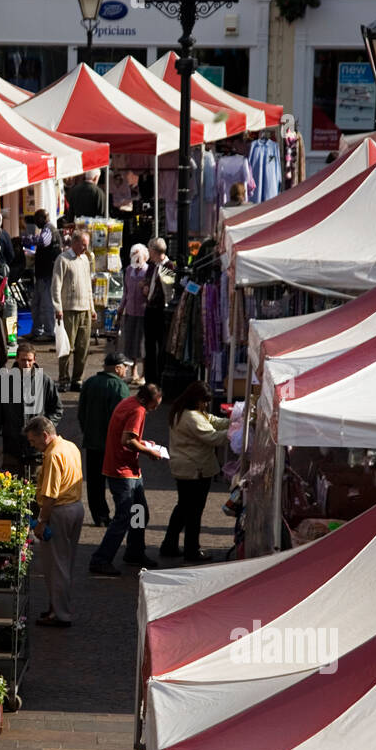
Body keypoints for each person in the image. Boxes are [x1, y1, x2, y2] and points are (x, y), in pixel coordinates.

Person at [89, 384, 165, 575]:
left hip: (130, 470)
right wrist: (149, 451)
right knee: (124, 515)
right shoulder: (138, 411)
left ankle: (135, 551)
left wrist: (145, 443)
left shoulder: (129, 402)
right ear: (148, 400)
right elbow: (127, 440)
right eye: (155, 404)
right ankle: (101, 559)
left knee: (140, 511)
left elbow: (128, 436)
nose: (155, 408)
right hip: (122, 471)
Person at [24, 416, 84, 628]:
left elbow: (50, 495)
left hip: (59, 512)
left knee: (55, 566)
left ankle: (60, 614)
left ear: (45, 435)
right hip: (75, 507)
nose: (33, 446)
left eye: (33, 441)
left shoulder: (52, 455)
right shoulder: (70, 447)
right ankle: (57, 608)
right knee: (65, 563)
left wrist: (41, 521)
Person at [160, 381, 230, 562]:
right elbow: (212, 437)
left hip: (186, 468)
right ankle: (192, 549)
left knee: (182, 509)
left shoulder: (183, 411)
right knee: (194, 512)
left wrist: (233, 422)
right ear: (196, 399)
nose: (206, 405)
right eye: (204, 401)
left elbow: (212, 421)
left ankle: (169, 544)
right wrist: (235, 431)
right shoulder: (191, 416)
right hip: (194, 470)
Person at [0, 342, 61, 475]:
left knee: (37, 489)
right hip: (12, 446)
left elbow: (57, 409)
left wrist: (45, 428)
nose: (26, 364)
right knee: (11, 488)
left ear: (35, 360)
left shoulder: (44, 381)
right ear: (16, 359)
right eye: (23, 360)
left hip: (37, 449)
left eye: (29, 360)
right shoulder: (5, 382)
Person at [77, 350, 132, 526]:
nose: (126, 371)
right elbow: (122, 418)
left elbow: (81, 413)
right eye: (125, 367)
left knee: (94, 483)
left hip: (92, 442)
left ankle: (99, 516)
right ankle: (121, 515)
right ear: (117, 368)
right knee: (118, 482)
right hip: (111, 444)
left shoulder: (90, 383)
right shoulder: (120, 387)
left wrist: (88, 431)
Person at [52, 231, 94, 392]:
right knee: (66, 347)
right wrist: (58, 307)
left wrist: (91, 307)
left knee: (83, 347)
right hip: (68, 309)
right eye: (83, 244)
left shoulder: (85, 260)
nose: (86, 247)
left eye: (87, 244)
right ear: (75, 242)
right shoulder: (63, 259)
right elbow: (56, 285)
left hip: (84, 309)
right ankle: (63, 378)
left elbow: (88, 285)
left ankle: (78, 379)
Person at [22, 209, 59, 341]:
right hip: (42, 274)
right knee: (36, 304)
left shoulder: (49, 229)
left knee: (46, 304)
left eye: (37, 219)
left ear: (43, 218)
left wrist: (26, 239)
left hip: (47, 274)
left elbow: (43, 241)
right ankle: (37, 331)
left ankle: (49, 333)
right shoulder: (47, 229)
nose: (36, 223)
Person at [117, 243, 149, 384]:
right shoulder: (129, 270)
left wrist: (146, 290)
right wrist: (121, 308)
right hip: (130, 311)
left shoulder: (149, 271)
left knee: (142, 343)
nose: (135, 258)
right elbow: (126, 292)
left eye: (138, 255)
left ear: (145, 257)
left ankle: (144, 374)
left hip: (143, 312)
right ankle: (134, 372)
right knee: (130, 343)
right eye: (133, 255)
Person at [143, 238, 171, 387]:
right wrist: (145, 287)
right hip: (150, 309)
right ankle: (150, 379)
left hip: (160, 310)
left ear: (155, 250)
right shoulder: (152, 266)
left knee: (160, 346)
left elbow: (168, 291)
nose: (148, 253)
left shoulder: (168, 266)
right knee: (149, 345)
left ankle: (158, 379)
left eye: (150, 250)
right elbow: (148, 282)